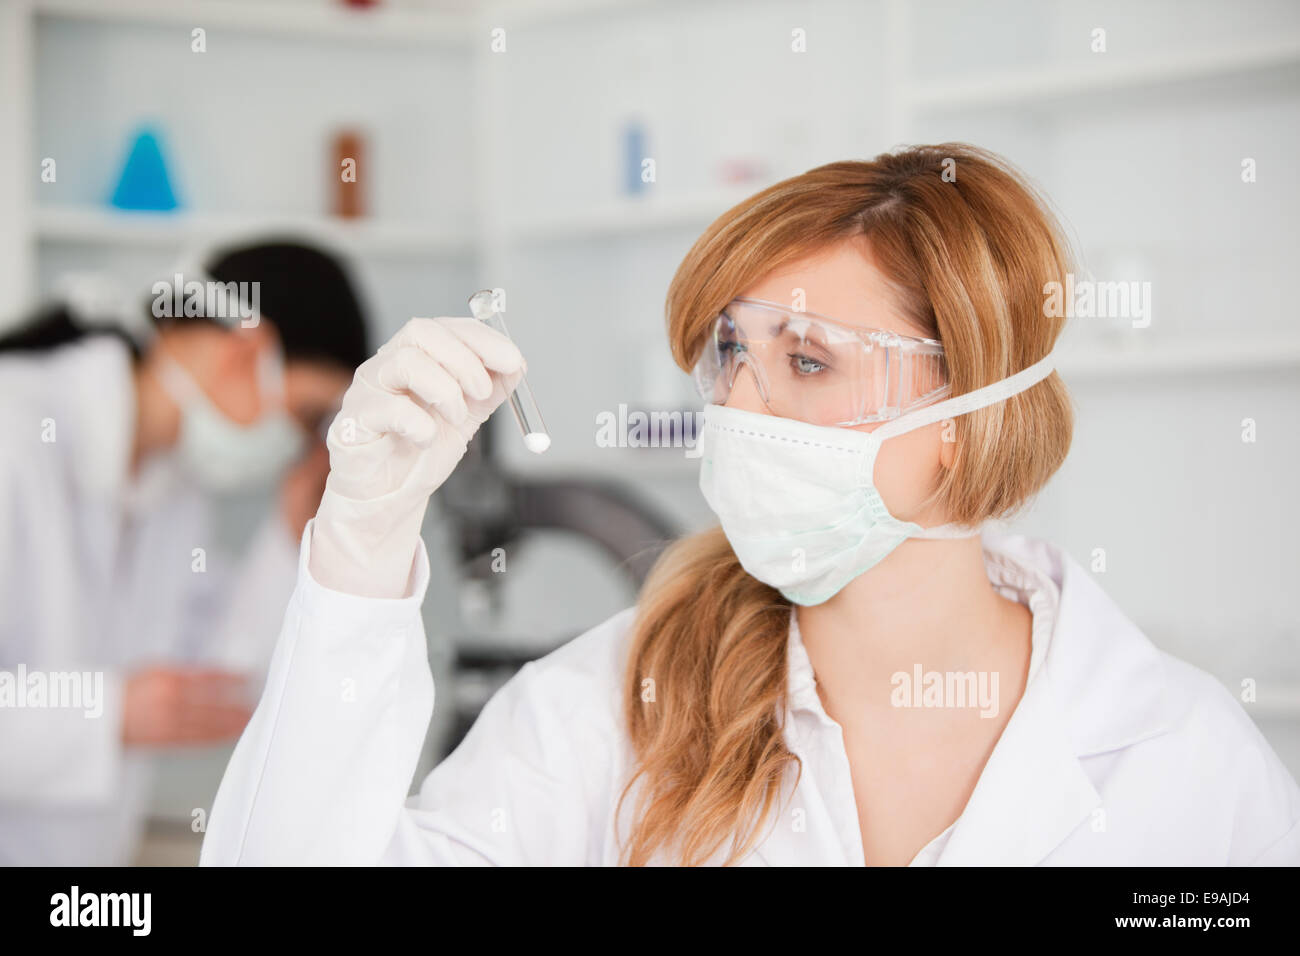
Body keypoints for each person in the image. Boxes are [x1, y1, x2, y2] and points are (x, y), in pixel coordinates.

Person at [200, 146, 1300, 866]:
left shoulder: (1175, 757)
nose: (739, 404)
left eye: (808, 359)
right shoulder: (608, 706)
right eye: (729, 353)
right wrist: (358, 550)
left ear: (967, 414)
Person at [0, 239, 369, 865]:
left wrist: (291, 534)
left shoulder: (174, 487)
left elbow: (218, 674)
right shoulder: (14, 432)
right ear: (247, 350)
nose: (303, 443)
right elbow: (133, 704)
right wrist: (108, 712)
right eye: (308, 415)